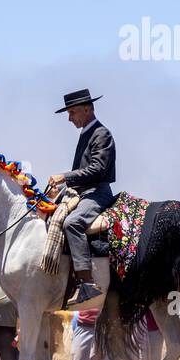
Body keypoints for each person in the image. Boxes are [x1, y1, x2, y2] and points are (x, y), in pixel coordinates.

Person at [45, 88, 117, 307]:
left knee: (72, 223)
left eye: (72, 112)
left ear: (88, 109)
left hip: (97, 193)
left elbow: (98, 169)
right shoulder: (87, 133)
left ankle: (86, 284)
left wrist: (64, 177)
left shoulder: (101, 133)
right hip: (82, 192)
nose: (69, 118)